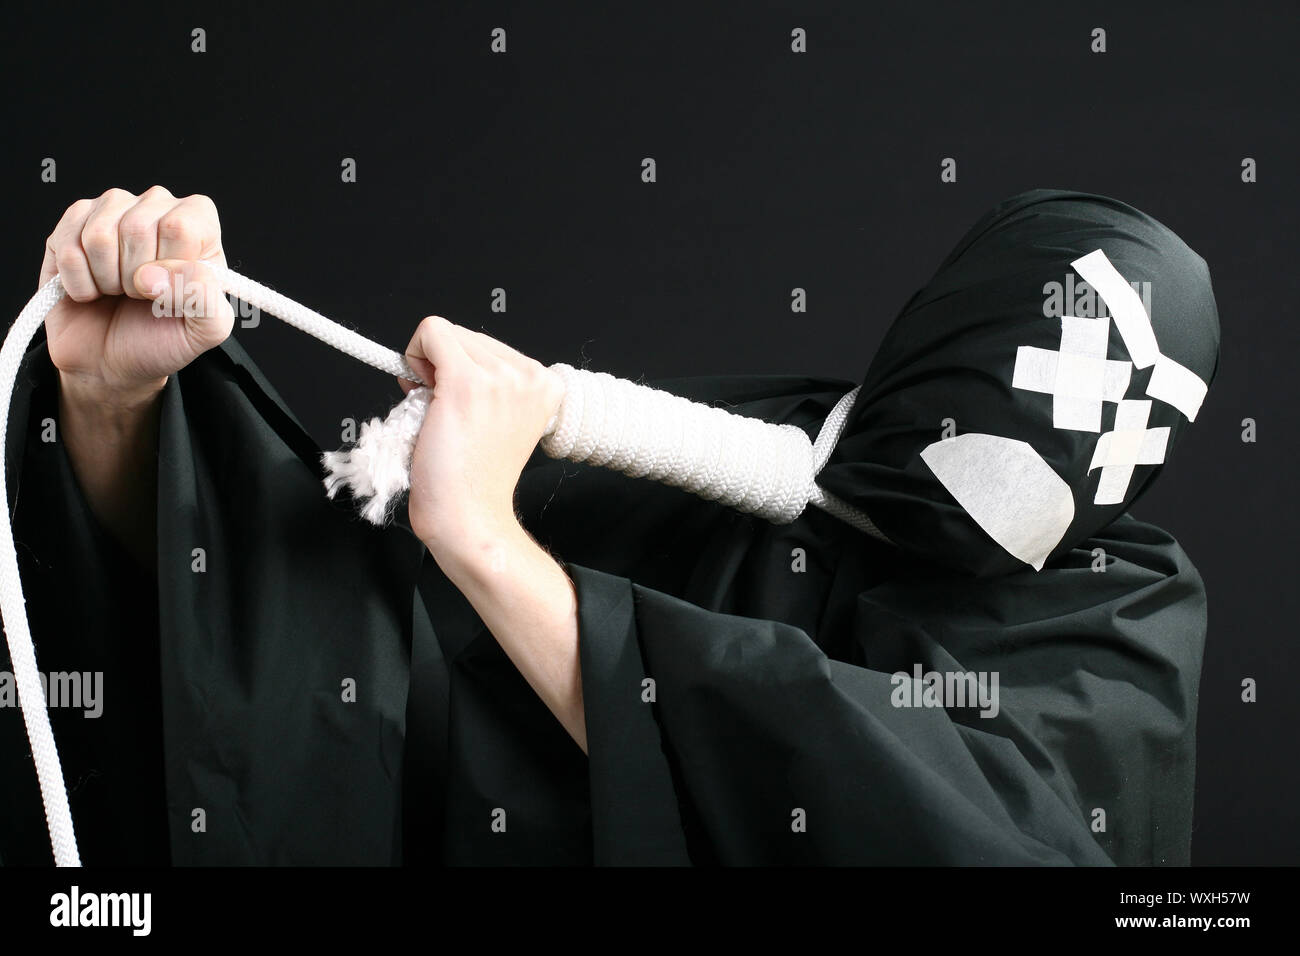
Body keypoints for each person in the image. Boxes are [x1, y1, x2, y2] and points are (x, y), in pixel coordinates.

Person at [0, 185, 1218, 866]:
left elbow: (970, 835)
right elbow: (312, 670)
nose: (997, 482)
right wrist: (118, 404)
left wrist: (490, 546)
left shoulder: (1116, 611)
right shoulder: (752, 455)